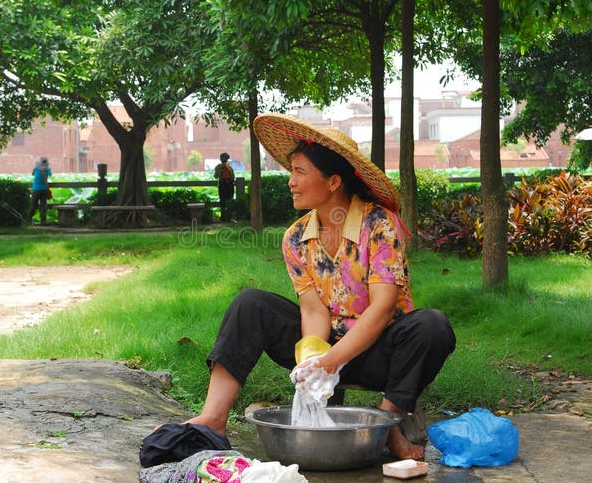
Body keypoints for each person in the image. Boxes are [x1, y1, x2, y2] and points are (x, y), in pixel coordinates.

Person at [188, 115, 456, 460]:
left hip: (381, 353)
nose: (290, 181)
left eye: (300, 172)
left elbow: (383, 307)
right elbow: (313, 309)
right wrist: (314, 356)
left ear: (333, 182)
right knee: (250, 304)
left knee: (432, 326)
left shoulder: (379, 224)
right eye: (291, 171)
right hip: (330, 345)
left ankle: (387, 427)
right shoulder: (296, 238)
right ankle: (213, 419)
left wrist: (332, 361)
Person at [30, 156, 52, 225]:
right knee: (43, 206)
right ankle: (43, 221)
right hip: (44, 189)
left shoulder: (36, 168)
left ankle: (28, 219)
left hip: (36, 189)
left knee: (33, 205)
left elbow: (32, 173)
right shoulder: (48, 170)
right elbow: (50, 175)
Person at [214, 152, 235, 222]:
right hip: (226, 185)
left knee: (225, 201)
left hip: (225, 185)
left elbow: (215, 176)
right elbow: (232, 177)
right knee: (226, 201)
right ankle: (226, 217)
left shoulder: (226, 167)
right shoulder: (227, 167)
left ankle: (226, 217)